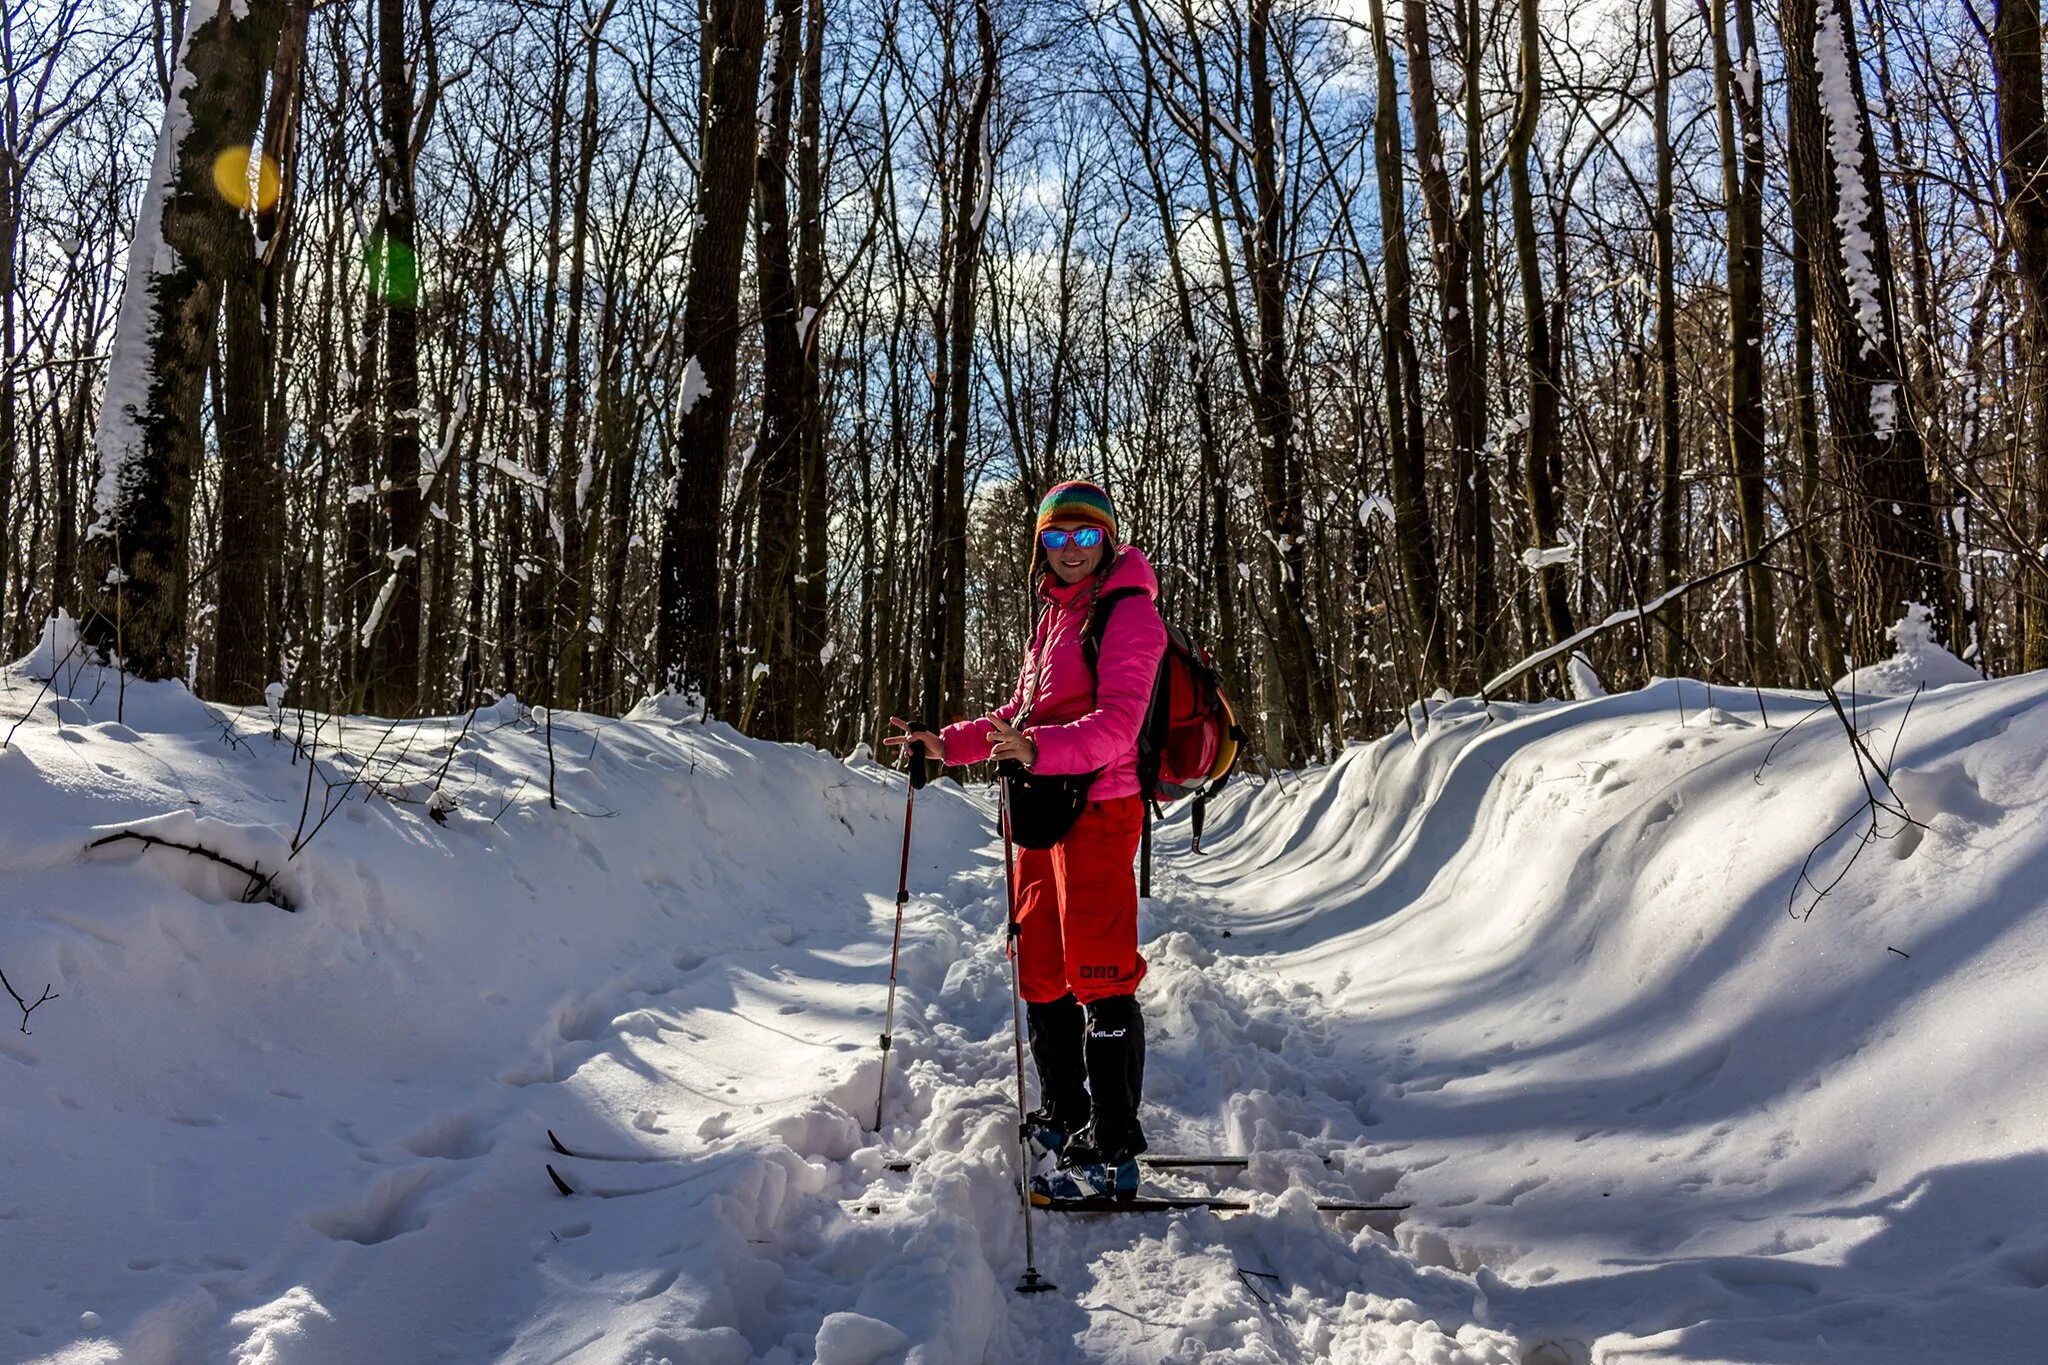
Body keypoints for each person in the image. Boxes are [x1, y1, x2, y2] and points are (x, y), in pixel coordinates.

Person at [887, 479, 1167, 1202]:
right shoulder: (1053, 618)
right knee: (1041, 964)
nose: (1070, 550)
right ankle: (1067, 1110)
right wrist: (945, 744)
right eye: (1055, 536)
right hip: (1040, 812)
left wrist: (1035, 748)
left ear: (1107, 539)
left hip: (1101, 811)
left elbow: (1118, 724)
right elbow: (1018, 712)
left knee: (1100, 972)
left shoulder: (1129, 614)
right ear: (1039, 544)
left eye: (1083, 535)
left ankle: (1112, 1153)